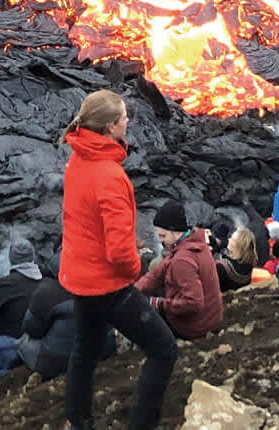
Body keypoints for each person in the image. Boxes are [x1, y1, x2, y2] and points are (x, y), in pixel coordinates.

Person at [59, 89, 177, 430]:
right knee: (163, 349)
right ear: (111, 127)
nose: (128, 120)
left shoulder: (78, 158)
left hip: (77, 276)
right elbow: (118, 250)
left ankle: (77, 421)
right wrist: (137, 265)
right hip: (106, 284)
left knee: (85, 348)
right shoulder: (110, 176)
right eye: (124, 117)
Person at [136, 201, 224, 340]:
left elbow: (194, 303)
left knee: (144, 315)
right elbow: (159, 271)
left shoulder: (182, 260)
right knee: (152, 289)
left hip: (193, 326)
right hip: (211, 318)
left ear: (175, 231)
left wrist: (158, 304)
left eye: (163, 236)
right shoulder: (195, 241)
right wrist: (135, 291)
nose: (160, 241)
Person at [18, 266, 82, 381]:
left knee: (22, 341)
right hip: (102, 349)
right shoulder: (100, 281)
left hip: (58, 361)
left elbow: (30, 328)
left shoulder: (46, 291)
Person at [0, 241, 42, 343]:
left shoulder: (6, 284)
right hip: (35, 341)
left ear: (11, 259)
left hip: (11, 341)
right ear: (33, 257)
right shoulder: (44, 280)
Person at [215, 227, 258, 291]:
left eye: (232, 239)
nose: (229, 239)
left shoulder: (220, 267)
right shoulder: (249, 264)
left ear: (238, 246)